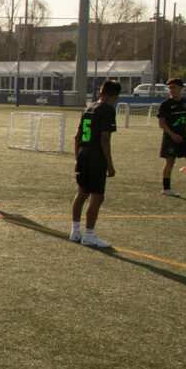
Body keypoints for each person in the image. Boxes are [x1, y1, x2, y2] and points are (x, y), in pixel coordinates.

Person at [71, 79, 121, 249]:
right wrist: (110, 164)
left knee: (81, 193)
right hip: (95, 155)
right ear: (114, 96)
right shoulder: (107, 110)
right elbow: (105, 139)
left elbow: (77, 137)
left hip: (83, 153)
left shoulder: (88, 108)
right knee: (97, 196)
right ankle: (89, 235)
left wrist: (77, 158)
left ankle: (75, 231)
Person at [156, 78, 186, 198]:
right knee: (170, 162)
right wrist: (172, 135)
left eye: (174, 87)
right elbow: (161, 123)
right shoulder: (166, 104)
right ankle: (166, 188)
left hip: (184, 136)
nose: (171, 90)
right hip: (170, 137)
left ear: (180, 88)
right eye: (169, 88)